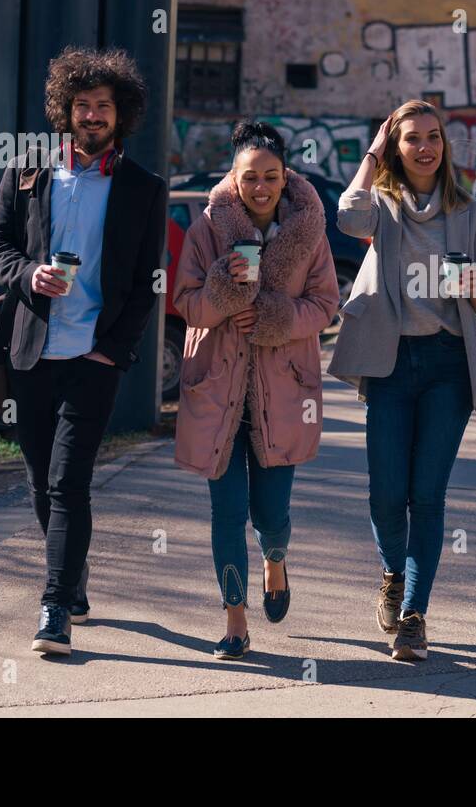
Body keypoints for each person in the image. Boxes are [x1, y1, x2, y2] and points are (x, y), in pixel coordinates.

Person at [0, 47, 168, 656]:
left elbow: (146, 282)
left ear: (121, 114)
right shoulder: (27, 171)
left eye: (103, 107)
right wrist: (29, 274)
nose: (91, 115)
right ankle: (74, 580)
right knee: (40, 481)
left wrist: (112, 351)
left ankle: (54, 606)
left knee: (69, 483)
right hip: (30, 349)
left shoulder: (143, 187)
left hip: (93, 358)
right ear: (65, 109)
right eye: (82, 105)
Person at [328, 100, 476, 662]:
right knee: (385, 493)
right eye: (411, 140)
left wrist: (471, 283)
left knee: (427, 495)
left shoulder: (474, 212)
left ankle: (415, 617)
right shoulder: (383, 204)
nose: (425, 147)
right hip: (390, 362)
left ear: (444, 146)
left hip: (448, 363)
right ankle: (392, 574)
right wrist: (372, 152)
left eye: (433, 137)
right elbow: (347, 217)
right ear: (396, 150)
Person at [172, 122, 338, 659]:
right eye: (250, 177)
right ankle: (235, 620)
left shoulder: (309, 231)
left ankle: (276, 556)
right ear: (235, 178)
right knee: (226, 512)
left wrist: (274, 318)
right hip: (218, 392)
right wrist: (223, 286)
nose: (261, 187)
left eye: (271, 176)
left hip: (283, 393)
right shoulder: (206, 229)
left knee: (270, 513)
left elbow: (325, 305)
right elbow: (186, 302)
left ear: (284, 175)